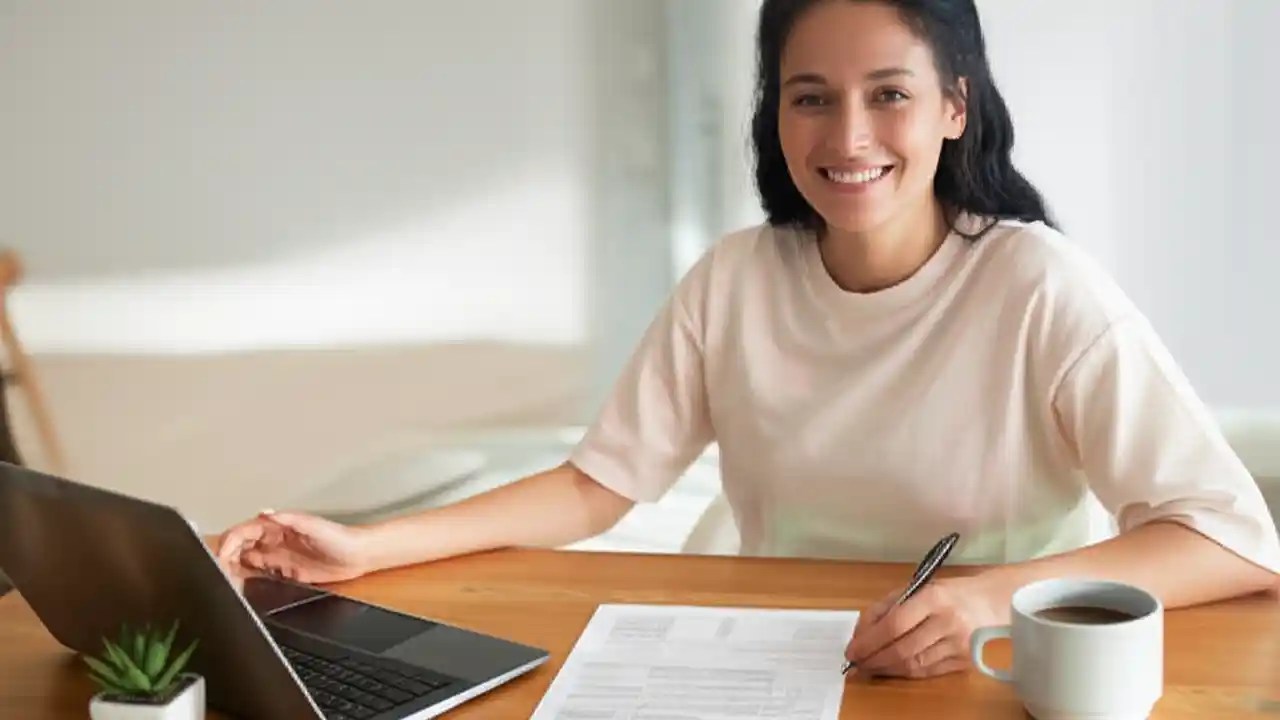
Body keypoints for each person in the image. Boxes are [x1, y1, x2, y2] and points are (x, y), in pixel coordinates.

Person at [217, 0, 1280, 680]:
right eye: (809, 98)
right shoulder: (733, 278)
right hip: (753, 668)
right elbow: (599, 486)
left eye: (889, 96)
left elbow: (1233, 539)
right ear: (774, 116)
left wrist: (985, 596)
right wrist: (366, 545)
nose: (847, 136)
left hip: (981, 671)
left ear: (954, 108)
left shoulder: (1038, 287)